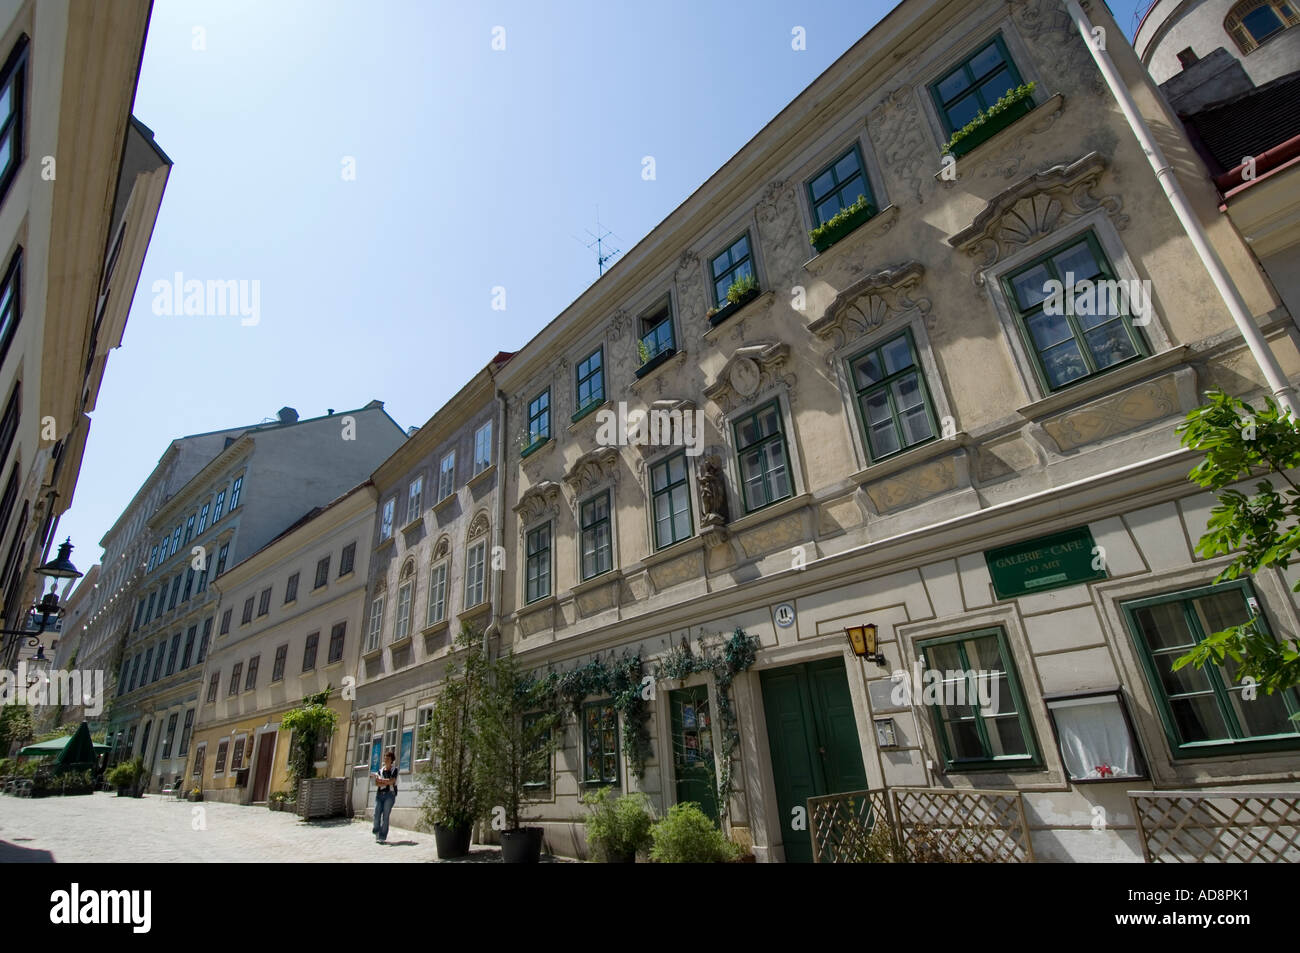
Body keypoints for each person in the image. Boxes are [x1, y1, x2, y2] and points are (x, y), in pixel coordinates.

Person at [371, 750, 399, 843]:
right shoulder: (381, 770)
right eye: (385, 758)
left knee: (385, 815)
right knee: (376, 813)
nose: (385, 760)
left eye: (387, 758)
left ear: (391, 760)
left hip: (389, 795)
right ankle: (377, 832)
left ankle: (382, 836)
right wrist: (385, 781)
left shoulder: (394, 770)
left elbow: (392, 781)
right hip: (379, 794)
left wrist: (382, 780)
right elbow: (376, 783)